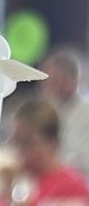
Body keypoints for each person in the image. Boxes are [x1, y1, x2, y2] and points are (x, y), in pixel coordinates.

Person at [42, 48, 89, 177]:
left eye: (54, 80)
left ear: (72, 79)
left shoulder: (86, 112)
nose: (47, 86)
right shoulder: (49, 111)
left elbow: (84, 159)